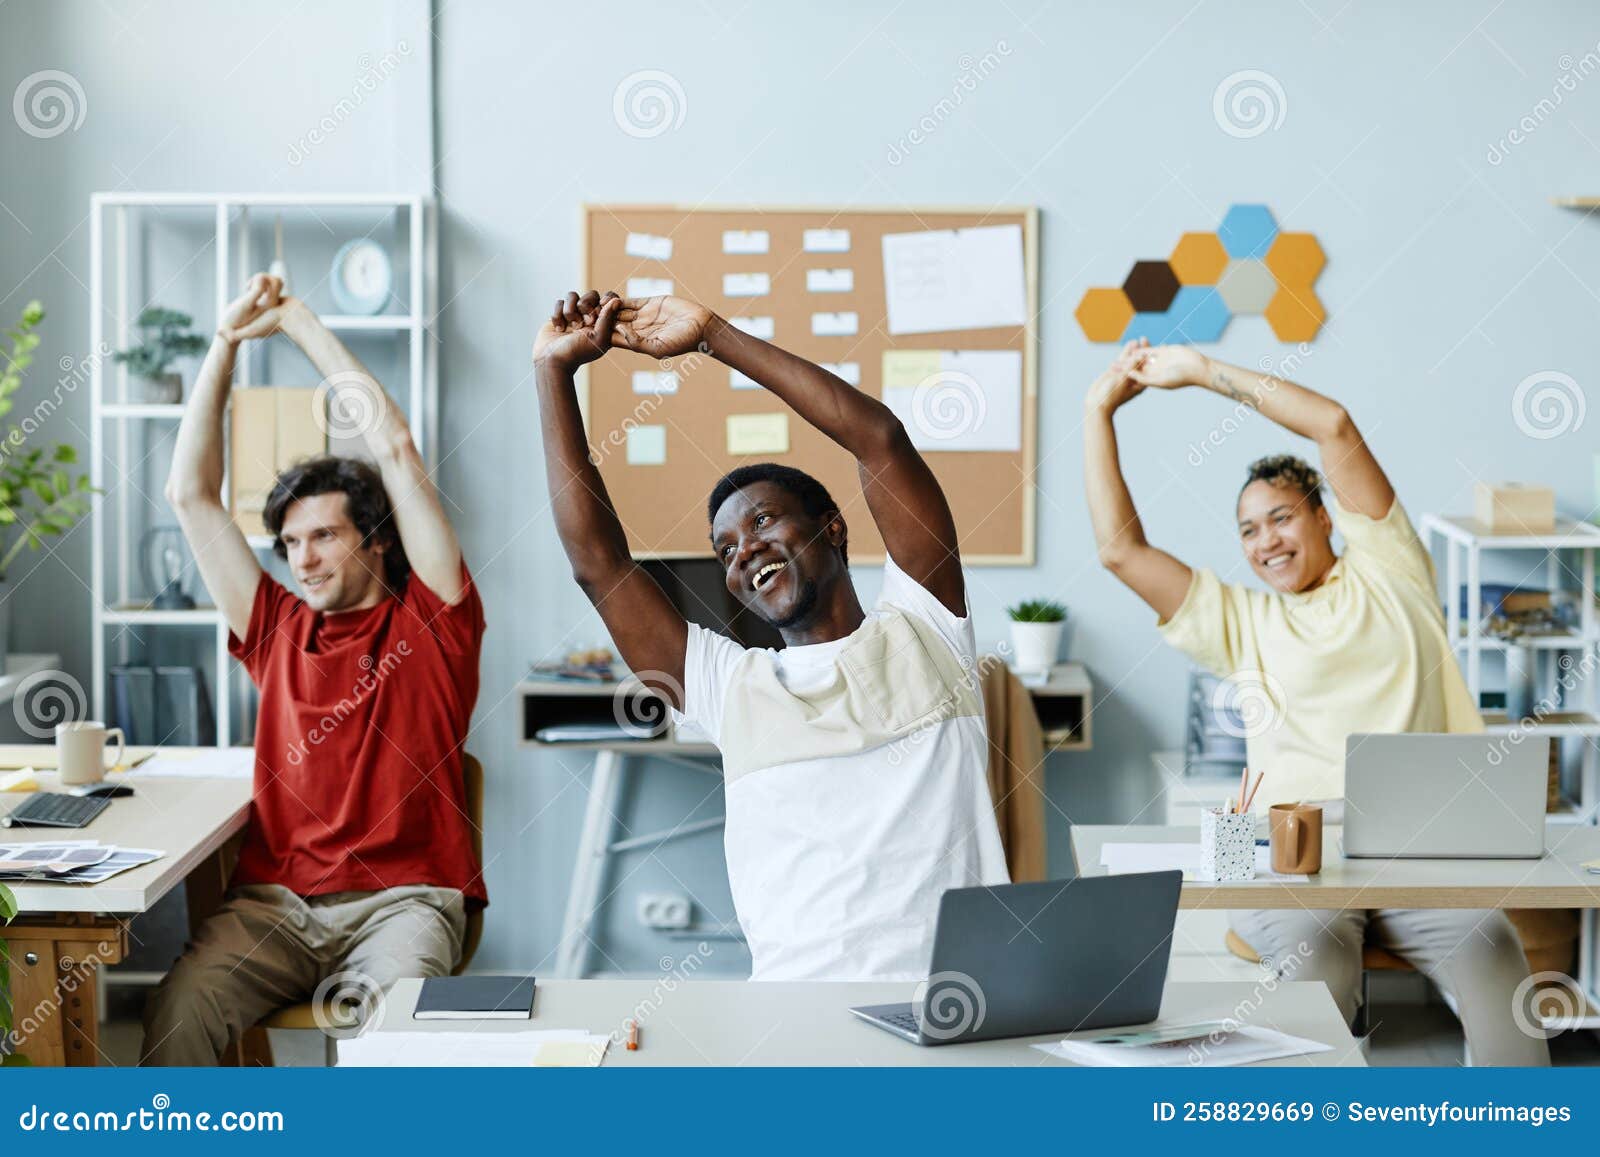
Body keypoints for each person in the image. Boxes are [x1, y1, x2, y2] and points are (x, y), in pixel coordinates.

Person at [1083, 338, 1547, 1066]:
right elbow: (1120, 551)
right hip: (1298, 862)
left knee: (1494, 952)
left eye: (1282, 516)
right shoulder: (1242, 621)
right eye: (1248, 529)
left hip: (1419, 853)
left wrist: (1201, 372)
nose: (1265, 540)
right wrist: (1098, 412)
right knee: (1318, 963)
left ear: (1326, 517)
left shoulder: (1391, 570)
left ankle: (1523, 1121)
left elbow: (1331, 422)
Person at [532, 289, 1007, 981]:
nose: (744, 551)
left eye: (761, 522)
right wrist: (552, 371)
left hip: (954, 1000)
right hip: (796, 1015)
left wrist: (713, 335)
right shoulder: (728, 686)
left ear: (832, 528)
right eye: (725, 549)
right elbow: (598, 564)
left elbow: (878, 438)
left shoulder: (927, 626)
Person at [141, 274, 486, 1065]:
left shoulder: (434, 621)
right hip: (274, 907)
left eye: (324, 536)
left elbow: (394, 447)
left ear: (378, 539)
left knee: (389, 1048)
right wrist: (224, 342)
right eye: (291, 543)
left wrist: (297, 320)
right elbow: (189, 493)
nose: (303, 559)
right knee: (179, 1012)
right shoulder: (275, 628)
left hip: (403, 903)